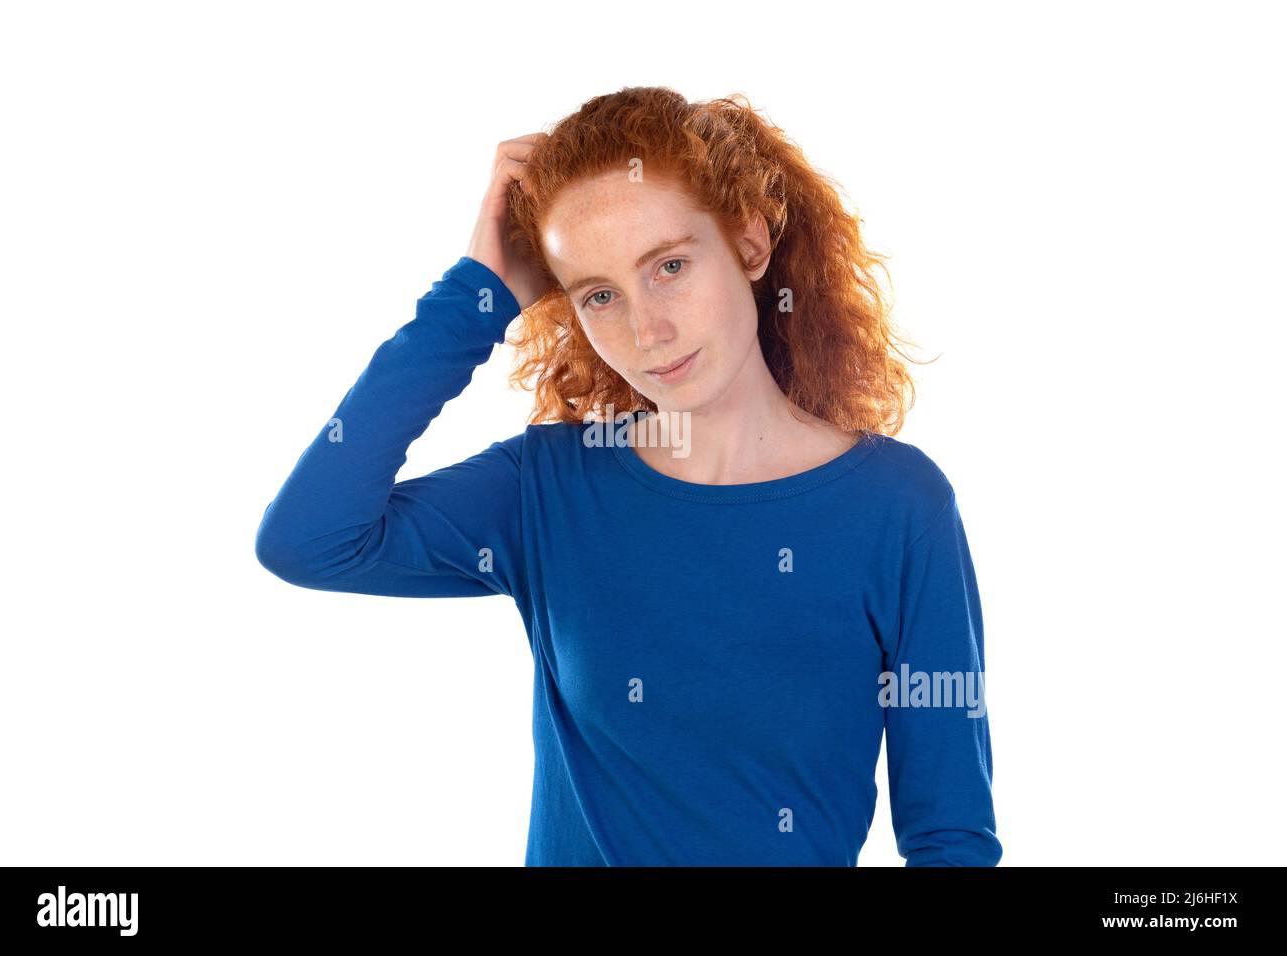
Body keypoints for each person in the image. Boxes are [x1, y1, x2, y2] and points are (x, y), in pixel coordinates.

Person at [255, 87, 1002, 866]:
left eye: (670, 266)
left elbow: (951, 837)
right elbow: (310, 539)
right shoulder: (546, 490)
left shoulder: (899, 507)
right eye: (600, 295)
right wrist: (474, 300)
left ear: (750, 245)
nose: (647, 330)